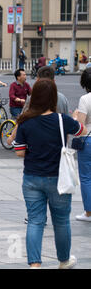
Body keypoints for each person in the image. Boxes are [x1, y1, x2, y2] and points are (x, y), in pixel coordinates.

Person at [13, 78, 85, 269]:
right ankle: (63, 260)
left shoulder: (25, 121)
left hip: (31, 178)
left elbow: (19, 151)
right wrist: (76, 117)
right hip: (58, 179)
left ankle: (34, 264)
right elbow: (81, 130)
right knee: (61, 221)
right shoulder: (63, 120)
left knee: (35, 221)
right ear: (54, 97)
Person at [75, 68, 91, 222]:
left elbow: (81, 125)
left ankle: (89, 213)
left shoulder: (85, 99)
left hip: (88, 140)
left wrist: (75, 116)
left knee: (86, 177)